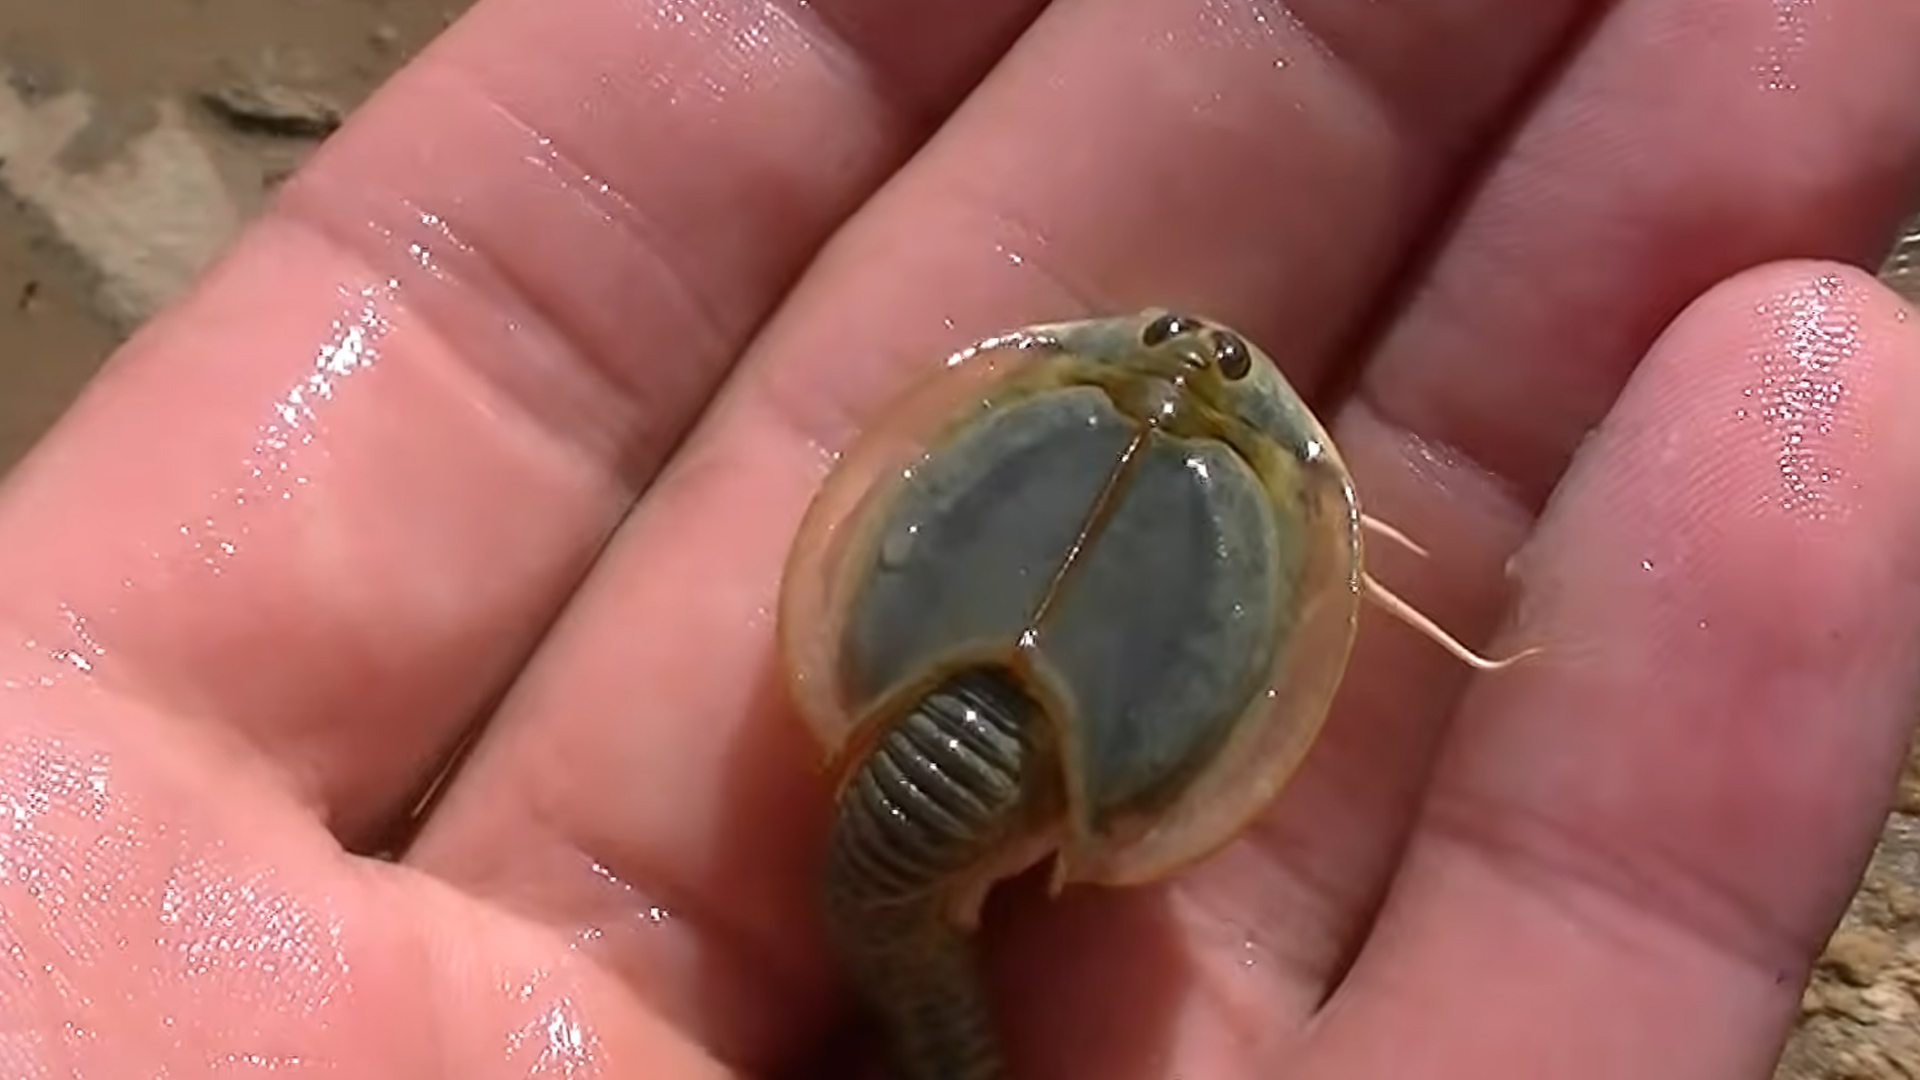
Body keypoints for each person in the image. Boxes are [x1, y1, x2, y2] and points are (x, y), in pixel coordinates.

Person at [0, 0, 1914, 1075]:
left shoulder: (1113, 440)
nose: (1198, 385)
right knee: (902, 910)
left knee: (902, 905)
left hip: (969, 787)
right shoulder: (1202, 480)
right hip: (958, 789)